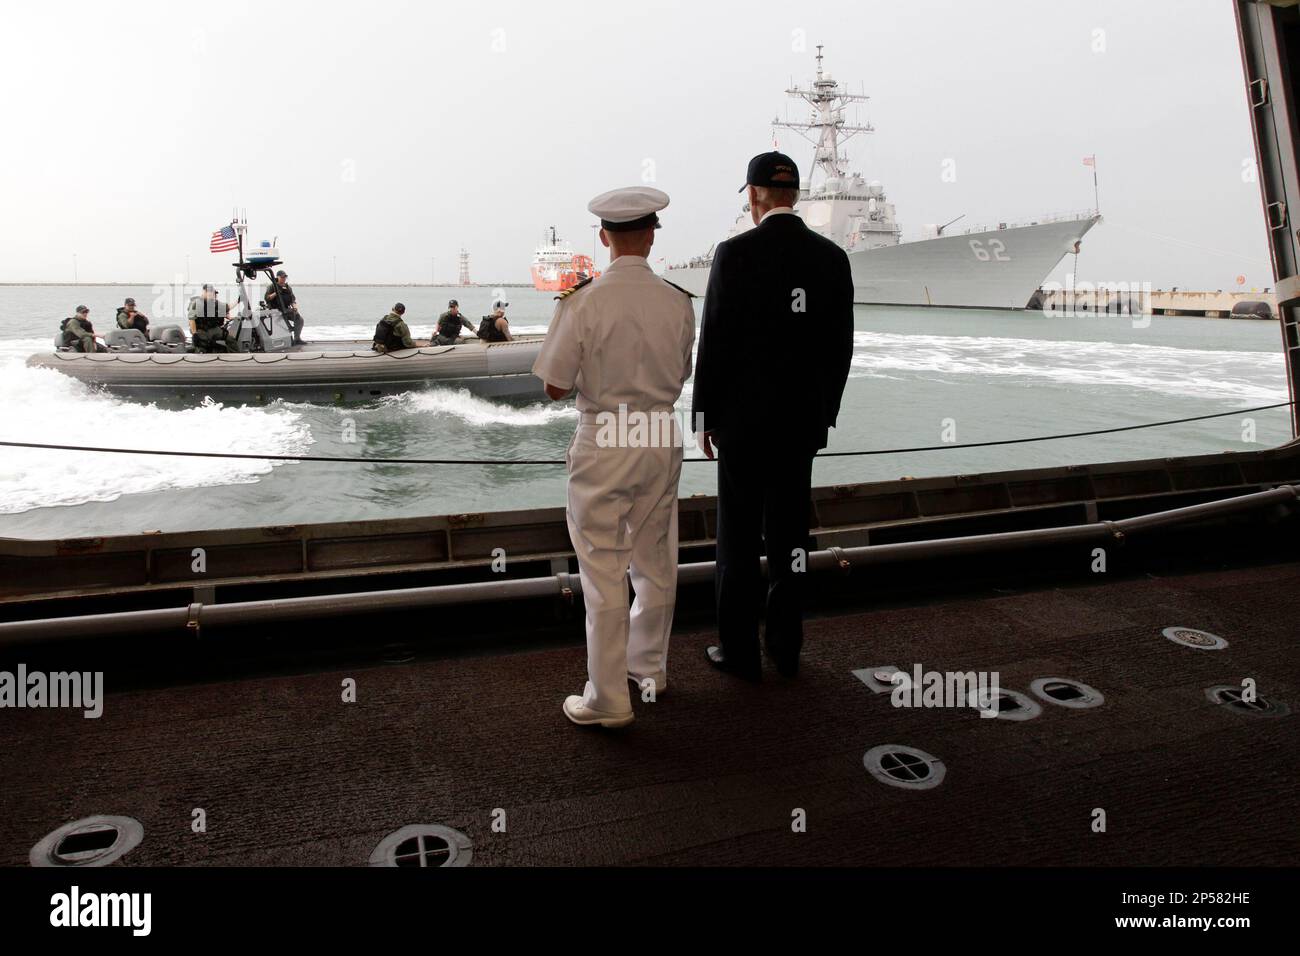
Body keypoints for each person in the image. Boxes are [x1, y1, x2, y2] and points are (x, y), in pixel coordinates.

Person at [533, 185, 696, 728]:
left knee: (603, 567)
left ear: (604, 237)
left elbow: (555, 386)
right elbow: (683, 372)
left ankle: (607, 699)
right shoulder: (678, 300)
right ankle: (648, 670)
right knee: (655, 559)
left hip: (605, 437)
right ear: (652, 236)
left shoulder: (583, 300)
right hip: (659, 433)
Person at [691, 151, 854, 681]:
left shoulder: (734, 253)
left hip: (741, 424)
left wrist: (703, 418)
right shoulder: (832, 258)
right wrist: (822, 414)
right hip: (800, 426)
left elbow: (713, 340)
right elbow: (840, 349)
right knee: (791, 538)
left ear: (754, 195)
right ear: (796, 195)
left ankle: (737, 651)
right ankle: (786, 648)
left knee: (737, 540)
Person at [188, 284, 241, 353]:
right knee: (201, 345)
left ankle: (236, 357)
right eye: (208, 292)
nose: (211, 294)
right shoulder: (196, 303)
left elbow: (227, 307)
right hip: (201, 330)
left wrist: (238, 301)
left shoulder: (215, 303)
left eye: (212, 292)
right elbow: (191, 319)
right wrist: (195, 334)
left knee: (230, 339)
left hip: (213, 329)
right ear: (204, 292)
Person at [264, 270, 306, 344]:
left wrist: (295, 307)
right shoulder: (272, 286)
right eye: (282, 277)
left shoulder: (288, 288)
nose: (284, 279)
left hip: (286, 309)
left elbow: (293, 300)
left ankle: (297, 339)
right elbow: (267, 298)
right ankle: (288, 340)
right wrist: (276, 293)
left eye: (285, 277)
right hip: (275, 311)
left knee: (300, 319)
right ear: (278, 277)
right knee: (284, 324)